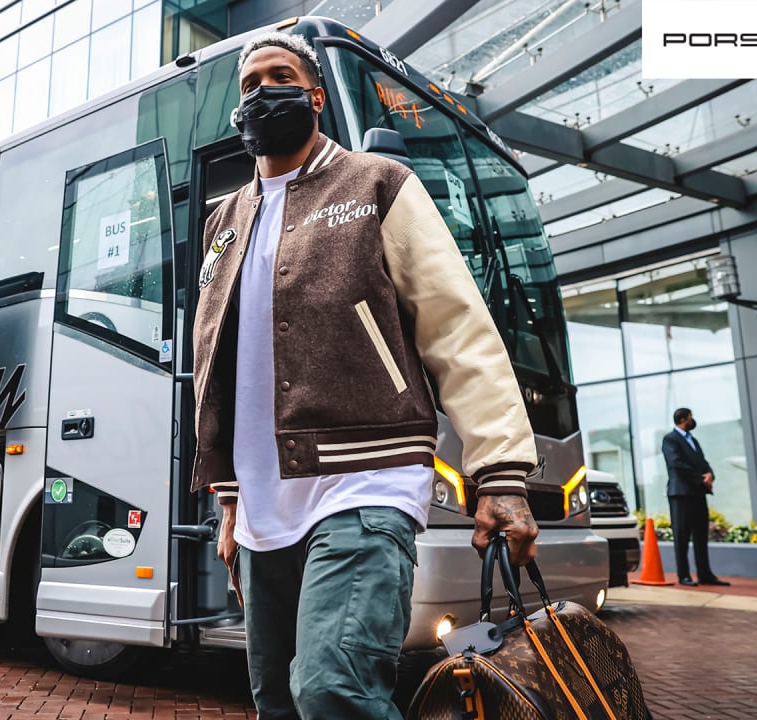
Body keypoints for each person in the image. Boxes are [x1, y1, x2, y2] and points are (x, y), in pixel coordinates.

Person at [189, 32, 541, 720]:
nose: (264, 92)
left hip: (364, 481)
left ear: (315, 96)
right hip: (263, 510)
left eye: (280, 76)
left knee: (331, 693)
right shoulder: (223, 222)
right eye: (250, 84)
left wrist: (498, 472)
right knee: (278, 704)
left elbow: (456, 325)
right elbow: (220, 365)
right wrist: (229, 502)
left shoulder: (376, 183)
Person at [662, 407, 730, 587]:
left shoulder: (694, 440)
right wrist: (700, 478)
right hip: (681, 494)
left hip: (698, 493)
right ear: (684, 419)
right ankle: (684, 575)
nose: (693, 421)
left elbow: (703, 461)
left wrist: (710, 474)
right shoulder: (670, 439)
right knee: (682, 535)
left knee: (701, 535)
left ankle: (705, 573)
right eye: (691, 418)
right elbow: (676, 464)